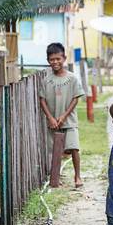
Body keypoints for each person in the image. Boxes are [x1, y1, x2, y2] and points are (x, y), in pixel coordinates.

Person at [38, 43, 85, 188]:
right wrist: (50, 118)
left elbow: (75, 98)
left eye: (58, 58)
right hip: (53, 123)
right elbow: (42, 100)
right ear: (48, 61)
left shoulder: (72, 78)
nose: (55, 62)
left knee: (74, 147)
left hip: (69, 121)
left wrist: (64, 115)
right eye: (52, 59)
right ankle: (55, 177)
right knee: (54, 152)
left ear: (64, 58)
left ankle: (77, 176)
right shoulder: (46, 80)